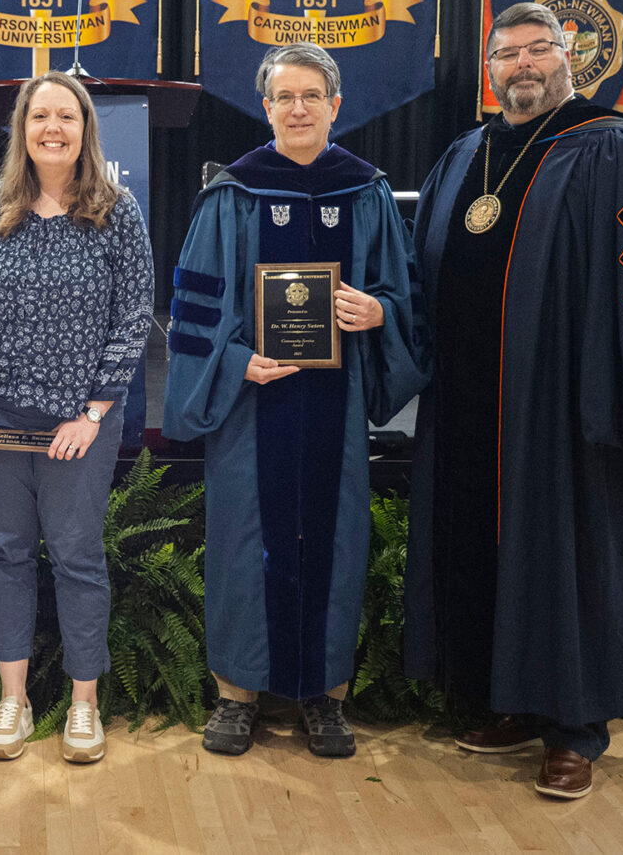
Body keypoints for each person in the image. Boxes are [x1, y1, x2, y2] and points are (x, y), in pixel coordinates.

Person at [405, 1, 623, 799]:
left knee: (568, 560)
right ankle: (509, 701)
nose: (523, 66)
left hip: (564, 412)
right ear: (490, 69)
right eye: (507, 55)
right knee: (489, 555)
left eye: (538, 49)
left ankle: (575, 730)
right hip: (468, 407)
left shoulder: (612, 147)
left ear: (568, 56)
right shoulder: (465, 155)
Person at [163, 43, 427, 759]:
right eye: (285, 96)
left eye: (312, 95)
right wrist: (236, 361)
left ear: (336, 105)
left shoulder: (366, 191)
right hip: (253, 409)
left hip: (335, 414)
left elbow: (404, 296)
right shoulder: (233, 193)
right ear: (266, 106)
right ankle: (236, 693)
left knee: (335, 543)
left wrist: (378, 315)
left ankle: (324, 695)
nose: (299, 108)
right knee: (245, 542)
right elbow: (194, 308)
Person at [0, 70, 154, 764]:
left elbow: (134, 318)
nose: (53, 128)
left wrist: (93, 412)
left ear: (86, 129)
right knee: (4, 549)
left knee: (76, 555)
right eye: (40, 117)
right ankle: (14, 698)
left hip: (79, 424)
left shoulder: (117, 210)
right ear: (22, 129)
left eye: (66, 116)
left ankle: (85, 704)